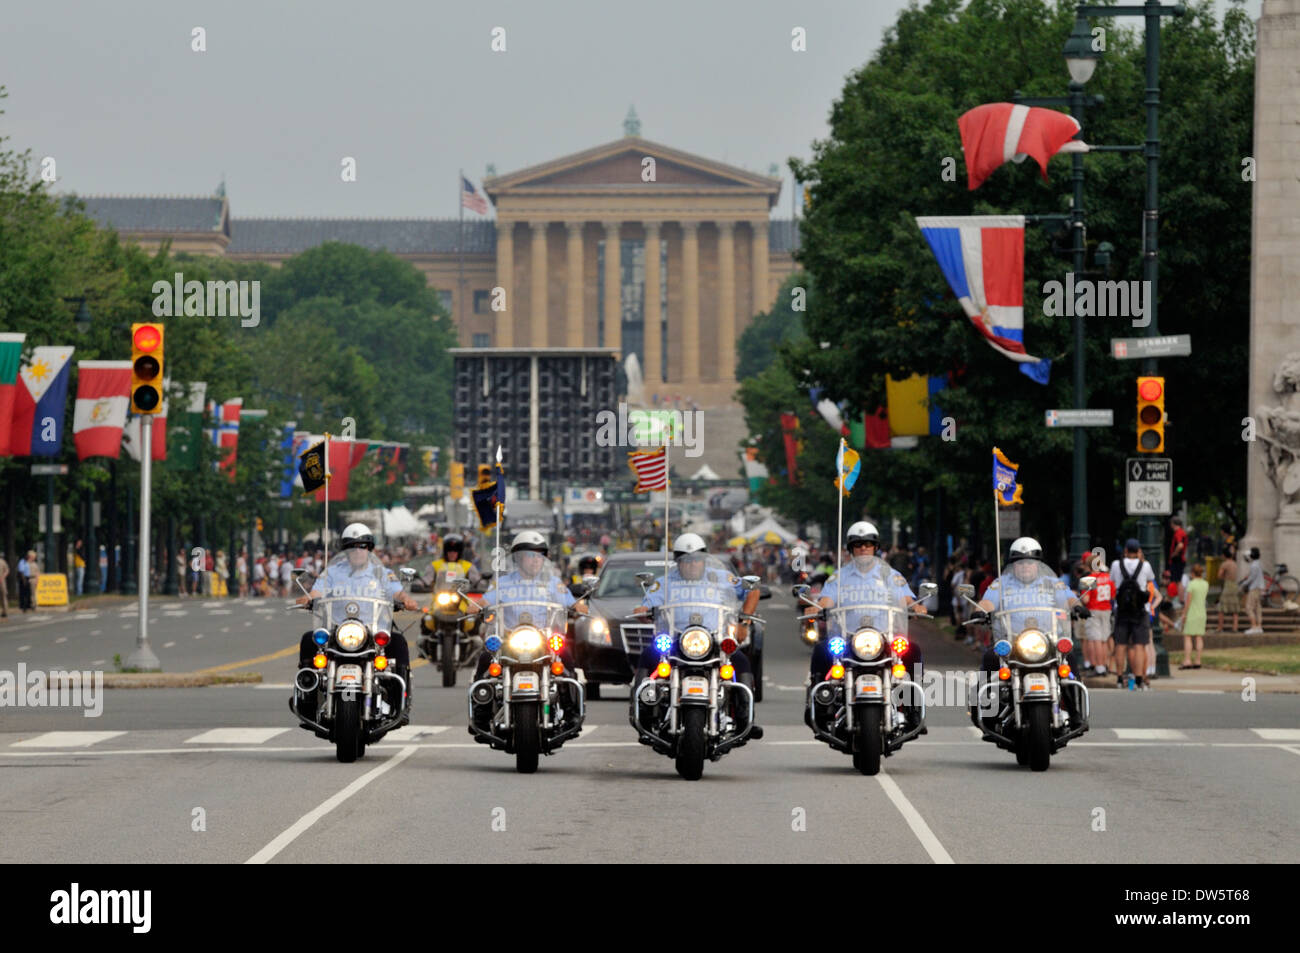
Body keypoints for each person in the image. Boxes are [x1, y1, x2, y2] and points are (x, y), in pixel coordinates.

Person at [631, 532, 763, 739]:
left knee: (740, 661)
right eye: (686, 561)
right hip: (677, 639)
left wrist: (744, 621)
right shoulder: (664, 582)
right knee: (649, 655)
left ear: (704, 560)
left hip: (713, 639)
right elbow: (646, 604)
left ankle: (745, 718)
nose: (692, 565)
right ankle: (643, 711)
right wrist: (642, 610)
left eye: (696, 560)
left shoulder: (720, 577)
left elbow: (753, 590)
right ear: (677, 562)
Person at [295, 523, 418, 723]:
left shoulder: (381, 572)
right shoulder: (333, 572)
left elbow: (396, 590)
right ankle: (307, 697)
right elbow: (317, 591)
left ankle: (399, 704)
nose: (358, 551)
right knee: (309, 640)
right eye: (352, 547)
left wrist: (406, 599)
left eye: (362, 546)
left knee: (398, 642)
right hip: (338, 630)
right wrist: (308, 598)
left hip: (372, 629)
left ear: (369, 549)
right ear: (346, 551)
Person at [813, 521, 928, 730]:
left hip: (884, 637)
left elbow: (907, 599)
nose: (863, 548)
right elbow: (825, 601)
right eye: (858, 544)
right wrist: (817, 608)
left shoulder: (891, 575)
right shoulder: (838, 577)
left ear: (876, 547)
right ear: (851, 549)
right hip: (849, 637)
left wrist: (916, 607)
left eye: (868, 543)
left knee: (913, 651)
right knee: (821, 651)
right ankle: (821, 705)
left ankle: (913, 709)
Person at [468, 530, 585, 729]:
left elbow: (571, 603)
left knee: (565, 657)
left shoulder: (552, 583)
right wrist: (474, 605)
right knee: (486, 659)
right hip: (510, 638)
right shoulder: (503, 583)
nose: (536, 560)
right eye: (531, 555)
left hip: (543, 639)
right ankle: (481, 714)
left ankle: (572, 712)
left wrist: (578, 607)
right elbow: (485, 600)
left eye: (540, 555)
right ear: (519, 558)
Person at [967, 538, 1089, 723]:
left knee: (1068, 659)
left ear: (1038, 564)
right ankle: (989, 711)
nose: (1025, 567)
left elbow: (1069, 598)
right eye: (1020, 562)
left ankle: (1075, 712)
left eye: (1029, 562)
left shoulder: (1052, 582)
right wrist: (979, 611)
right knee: (990, 657)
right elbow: (987, 602)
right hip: (1012, 641)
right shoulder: (1000, 584)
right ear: (1013, 565)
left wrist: (1078, 606)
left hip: (1048, 640)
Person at [1108, 539, 1156, 689]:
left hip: (1121, 609)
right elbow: (1150, 580)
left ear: (1126, 551)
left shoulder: (1116, 565)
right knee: (1139, 645)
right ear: (1138, 551)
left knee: (1120, 645)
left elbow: (1113, 581)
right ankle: (1139, 678)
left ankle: (1119, 677)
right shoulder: (1145, 565)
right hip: (1140, 610)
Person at [1078, 554, 1114, 677]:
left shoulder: (1088, 579)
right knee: (1104, 640)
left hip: (1093, 609)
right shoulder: (1108, 577)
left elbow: (1086, 600)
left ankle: (1098, 667)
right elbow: (1112, 595)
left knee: (1095, 640)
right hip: (1106, 609)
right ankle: (1104, 665)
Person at [1178, 563, 1209, 669]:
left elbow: (1188, 601)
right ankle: (1198, 660)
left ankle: (1187, 660)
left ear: (1192, 573)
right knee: (1199, 637)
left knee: (1187, 636)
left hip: (1192, 613)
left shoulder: (1192, 584)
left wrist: (1184, 614)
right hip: (1202, 612)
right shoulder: (1205, 584)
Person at [1216, 542, 1241, 633]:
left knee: (1221, 608)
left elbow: (1219, 575)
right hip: (1235, 585)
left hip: (1228, 585)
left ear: (1224, 555)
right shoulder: (1235, 564)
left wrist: (1223, 577)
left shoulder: (1225, 564)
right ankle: (1235, 627)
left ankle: (1220, 627)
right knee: (1235, 608)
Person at [1242, 547, 1265, 634]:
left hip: (1254, 588)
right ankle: (1259, 627)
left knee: (1249, 608)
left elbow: (1252, 578)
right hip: (1259, 588)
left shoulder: (1254, 565)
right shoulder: (1258, 563)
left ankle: (1254, 626)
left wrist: (1244, 583)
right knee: (1257, 608)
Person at [1168, 517, 1188, 586]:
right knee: (1178, 581)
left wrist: (1174, 554)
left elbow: (1180, 545)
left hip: (1177, 560)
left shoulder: (1178, 533)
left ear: (1173, 524)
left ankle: (1176, 596)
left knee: (1176, 581)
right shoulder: (1181, 532)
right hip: (1179, 560)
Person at [0, 551, 9, 617]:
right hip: (2, 580)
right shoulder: (3, 561)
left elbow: (7, 570)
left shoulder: (2, 562)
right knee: (3, 597)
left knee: (3, 596)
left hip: (1, 581)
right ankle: (4, 611)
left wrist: (2, 577)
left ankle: (5, 611)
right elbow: (7, 571)